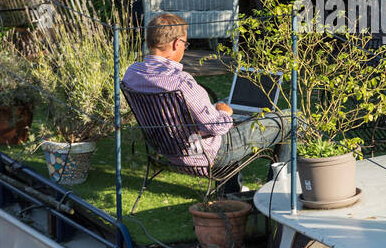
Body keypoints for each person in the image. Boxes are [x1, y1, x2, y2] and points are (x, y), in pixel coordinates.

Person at [122, 13, 289, 193]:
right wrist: (225, 115)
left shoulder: (132, 73)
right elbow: (216, 127)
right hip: (204, 154)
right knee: (289, 119)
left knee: (225, 104)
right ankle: (276, 192)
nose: (184, 49)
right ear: (176, 43)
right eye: (185, 44)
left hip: (165, 148)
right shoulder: (180, 81)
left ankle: (231, 191)